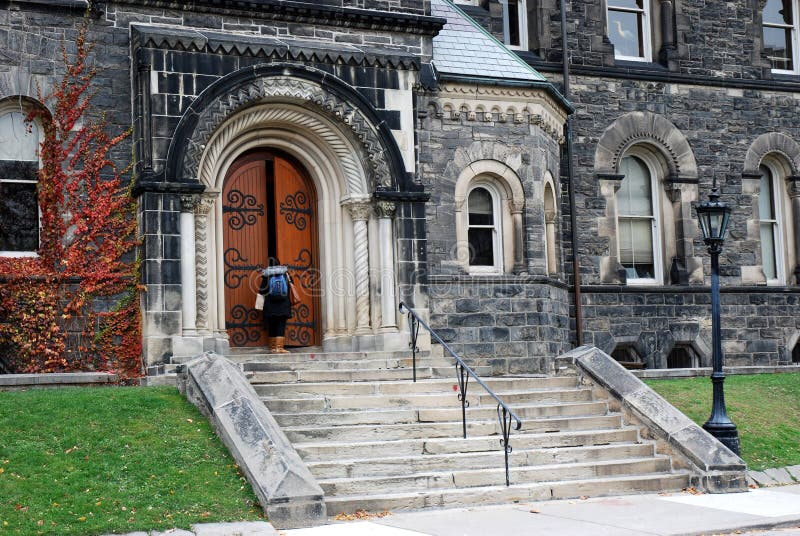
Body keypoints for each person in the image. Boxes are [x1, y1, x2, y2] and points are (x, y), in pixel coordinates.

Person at [259, 257, 293, 354]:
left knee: (272, 324)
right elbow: (291, 286)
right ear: (279, 263)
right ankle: (280, 348)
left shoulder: (266, 275)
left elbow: (262, 290)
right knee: (281, 325)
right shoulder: (286, 273)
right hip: (283, 304)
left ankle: (273, 347)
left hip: (270, 304)